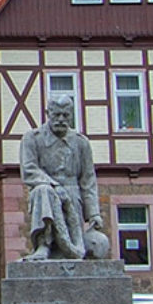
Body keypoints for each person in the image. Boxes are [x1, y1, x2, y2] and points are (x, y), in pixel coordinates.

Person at [20, 95, 104, 260]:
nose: (60, 119)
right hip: (45, 193)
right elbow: (29, 170)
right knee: (42, 191)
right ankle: (43, 245)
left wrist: (94, 213)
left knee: (72, 252)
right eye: (56, 115)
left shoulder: (81, 143)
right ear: (48, 113)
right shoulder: (32, 138)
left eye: (65, 116)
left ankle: (72, 251)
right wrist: (53, 186)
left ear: (71, 115)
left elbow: (88, 180)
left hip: (73, 195)